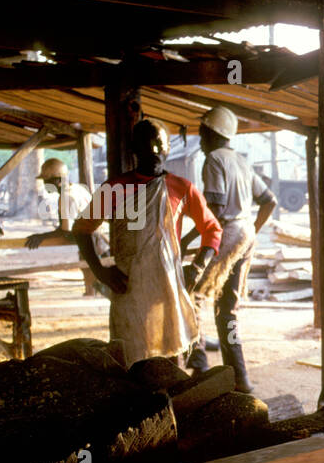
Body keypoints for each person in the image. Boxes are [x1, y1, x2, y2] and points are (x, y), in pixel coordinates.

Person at [69, 119, 222, 369]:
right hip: (127, 288)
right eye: (145, 145)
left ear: (168, 148)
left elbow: (212, 229)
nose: (153, 151)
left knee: (170, 358)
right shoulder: (115, 188)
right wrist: (100, 271)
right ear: (133, 149)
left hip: (167, 289)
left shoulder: (182, 188)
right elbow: (81, 229)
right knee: (129, 360)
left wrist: (197, 267)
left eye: (158, 144)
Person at [184, 106, 276, 393]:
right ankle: (240, 378)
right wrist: (249, 233)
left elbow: (215, 208)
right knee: (227, 310)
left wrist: (187, 239)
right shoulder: (241, 161)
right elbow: (269, 200)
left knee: (193, 296)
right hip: (245, 232)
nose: (199, 138)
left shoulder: (213, 160)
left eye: (201, 132)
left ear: (212, 133)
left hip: (227, 231)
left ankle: (199, 365)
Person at [28, 158, 108, 296]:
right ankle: (94, 292)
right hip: (101, 234)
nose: (44, 184)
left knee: (95, 272)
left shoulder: (66, 196)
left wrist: (42, 236)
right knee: (95, 270)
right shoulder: (78, 189)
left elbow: (66, 231)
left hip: (94, 238)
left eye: (46, 181)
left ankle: (96, 293)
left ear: (57, 180)